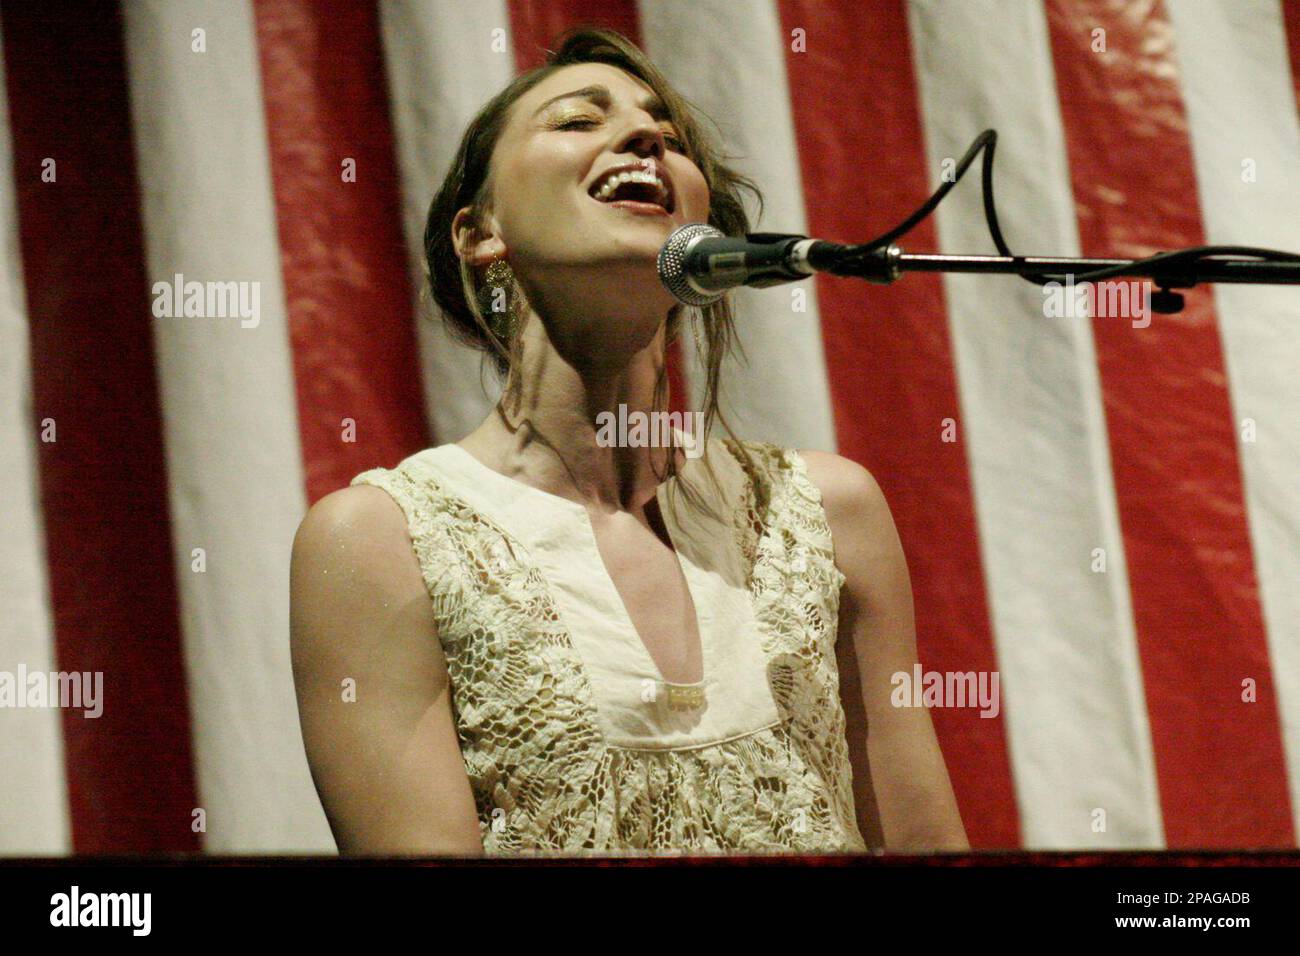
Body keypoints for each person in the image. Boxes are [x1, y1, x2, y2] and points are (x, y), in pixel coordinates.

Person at [289, 27, 967, 855]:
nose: (645, 138)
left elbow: (924, 843)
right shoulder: (379, 538)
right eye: (577, 121)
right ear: (480, 232)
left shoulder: (828, 510)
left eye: (670, 138)